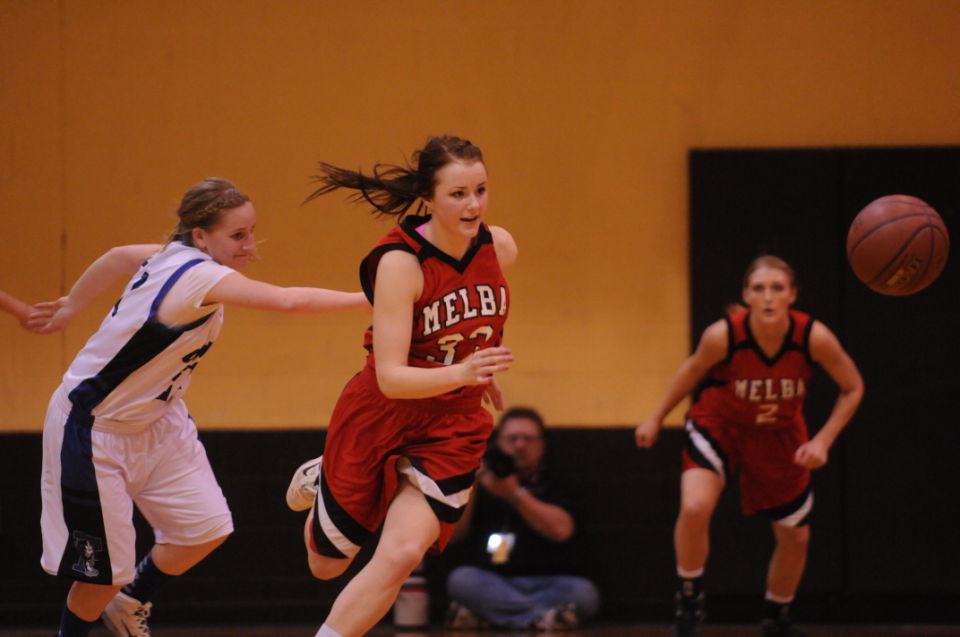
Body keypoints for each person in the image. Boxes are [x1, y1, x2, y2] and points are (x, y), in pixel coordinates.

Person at [32, 178, 368, 637]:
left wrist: (73, 304)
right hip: (94, 426)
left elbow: (115, 256)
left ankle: (131, 602)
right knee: (101, 578)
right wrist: (372, 299)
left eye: (251, 231)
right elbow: (289, 301)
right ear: (200, 236)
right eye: (238, 236)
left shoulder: (172, 254)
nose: (250, 245)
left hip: (158, 418)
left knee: (204, 529)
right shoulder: (198, 274)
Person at [285, 135, 516, 637]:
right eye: (458, 194)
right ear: (428, 198)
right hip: (384, 411)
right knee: (325, 565)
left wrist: (480, 370)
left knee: (403, 553)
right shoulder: (400, 263)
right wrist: (462, 372)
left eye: (480, 189)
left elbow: (479, 316)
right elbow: (390, 378)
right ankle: (325, 476)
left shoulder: (499, 246)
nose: (473, 204)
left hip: (452, 422)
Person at [634, 255, 864, 637]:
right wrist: (656, 418)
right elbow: (692, 371)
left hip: (779, 435)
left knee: (796, 536)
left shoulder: (813, 337)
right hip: (721, 425)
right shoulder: (723, 334)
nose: (768, 297)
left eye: (777, 288)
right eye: (758, 288)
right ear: (746, 295)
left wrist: (823, 440)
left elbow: (853, 387)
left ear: (793, 295)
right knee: (694, 506)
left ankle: (777, 616)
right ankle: (690, 598)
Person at [444, 406, 601, 630]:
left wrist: (515, 494)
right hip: (492, 581)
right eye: (512, 439)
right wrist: (471, 485)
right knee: (461, 580)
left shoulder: (558, 480)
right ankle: (542, 618)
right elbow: (453, 535)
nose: (519, 446)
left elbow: (561, 530)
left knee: (584, 593)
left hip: (548, 581)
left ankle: (492, 615)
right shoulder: (481, 480)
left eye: (528, 439)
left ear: (542, 445)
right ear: (497, 442)